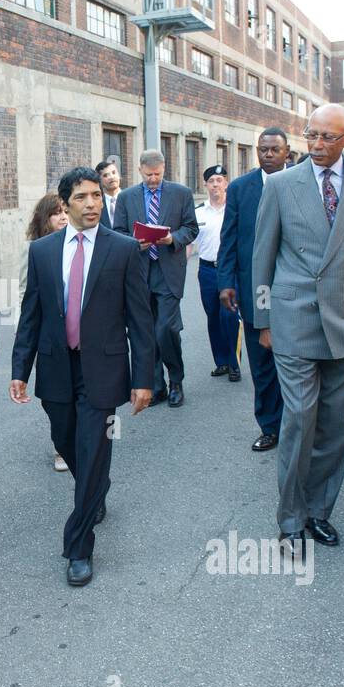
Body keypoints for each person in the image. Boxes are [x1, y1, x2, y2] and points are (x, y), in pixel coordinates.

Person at [251, 104, 344, 554]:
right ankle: (290, 520)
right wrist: (264, 319)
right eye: (310, 135)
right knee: (298, 420)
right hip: (295, 321)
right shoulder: (280, 184)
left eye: (327, 138)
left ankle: (318, 513)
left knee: (334, 425)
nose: (315, 145)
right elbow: (262, 258)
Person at [10, 167, 154, 587]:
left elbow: (140, 321)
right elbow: (31, 315)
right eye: (82, 198)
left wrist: (143, 378)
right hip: (56, 365)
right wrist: (20, 369)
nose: (92, 204)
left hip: (103, 368)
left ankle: (78, 546)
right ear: (65, 204)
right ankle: (96, 488)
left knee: (93, 448)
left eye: (96, 196)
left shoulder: (124, 249)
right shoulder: (43, 252)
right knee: (65, 440)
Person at [218, 130, 289, 451]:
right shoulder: (240, 189)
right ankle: (270, 426)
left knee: (296, 360)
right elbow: (228, 239)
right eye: (263, 150)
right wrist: (226, 283)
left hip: (296, 290)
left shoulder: (303, 184)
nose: (269, 155)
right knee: (261, 361)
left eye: (275, 149)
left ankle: (297, 424)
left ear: (287, 152)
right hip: (254, 289)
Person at [111, 148, 198, 408]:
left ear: (164, 169)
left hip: (168, 270)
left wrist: (173, 239)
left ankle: (177, 381)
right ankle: (156, 385)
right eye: (149, 175)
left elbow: (191, 228)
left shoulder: (181, 194)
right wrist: (135, 243)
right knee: (145, 332)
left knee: (166, 329)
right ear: (140, 170)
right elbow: (118, 232)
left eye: (157, 175)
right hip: (139, 272)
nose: (153, 179)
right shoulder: (126, 198)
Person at [21, 194, 71, 473]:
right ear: (45, 219)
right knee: (54, 396)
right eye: (56, 213)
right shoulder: (34, 250)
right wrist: (26, 333)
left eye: (65, 211)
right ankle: (60, 444)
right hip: (47, 335)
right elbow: (24, 294)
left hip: (78, 332)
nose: (63, 217)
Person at [192, 165, 241, 382]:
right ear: (206, 185)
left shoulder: (234, 209)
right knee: (213, 316)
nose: (215, 185)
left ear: (226, 183)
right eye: (211, 181)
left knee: (229, 315)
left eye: (219, 180)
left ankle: (234, 363)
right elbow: (190, 245)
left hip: (230, 270)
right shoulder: (198, 212)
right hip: (207, 270)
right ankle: (221, 361)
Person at [96, 156, 123, 226]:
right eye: (105, 175)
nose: (111, 177)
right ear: (99, 181)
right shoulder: (97, 203)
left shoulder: (130, 198)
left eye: (114, 173)